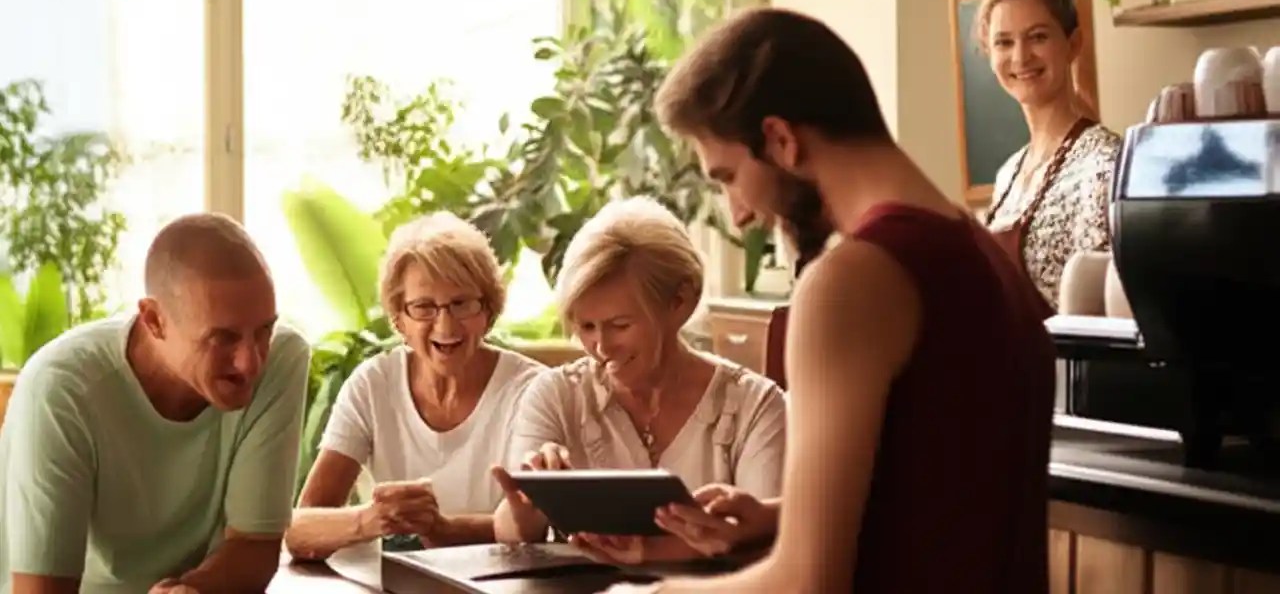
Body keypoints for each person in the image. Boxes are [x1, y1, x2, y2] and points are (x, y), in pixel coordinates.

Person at [604, 7, 1058, 593]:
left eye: (726, 177)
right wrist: (780, 519)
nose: (738, 213)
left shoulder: (853, 280)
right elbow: (950, 492)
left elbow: (805, 585)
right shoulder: (987, 256)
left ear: (779, 139)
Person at [0, 213, 310, 594]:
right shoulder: (61, 388)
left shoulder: (281, 359)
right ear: (154, 320)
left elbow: (256, 548)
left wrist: (189, 591)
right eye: (223, 338)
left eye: (264, 330)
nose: (250, 362)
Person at [490, 196, 787, 563]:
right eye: (586, 327)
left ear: (681, 301)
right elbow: (510, 531)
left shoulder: (756, 406)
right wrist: (523, 512)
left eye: (620, 325)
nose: (601, 347)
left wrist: (651, 552)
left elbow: (771, 546)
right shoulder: (555, 394)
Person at [285, 213, 544, 559]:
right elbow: (301, 530)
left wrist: (442, 529)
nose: (445, 324)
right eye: (424, 307)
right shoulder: (372, 384)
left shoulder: (531, 390)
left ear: (488, 311)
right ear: (399, 318)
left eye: (461, 303)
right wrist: (369, 519)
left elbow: (536, 525)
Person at [978, 0, 1122, 314]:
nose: (1020, 56)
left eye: (1038, 36)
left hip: (1069, 368)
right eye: (1003, 42)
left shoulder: (1103, 164)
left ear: (1073, 44)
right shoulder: (1008, 174)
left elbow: (1104, 312)